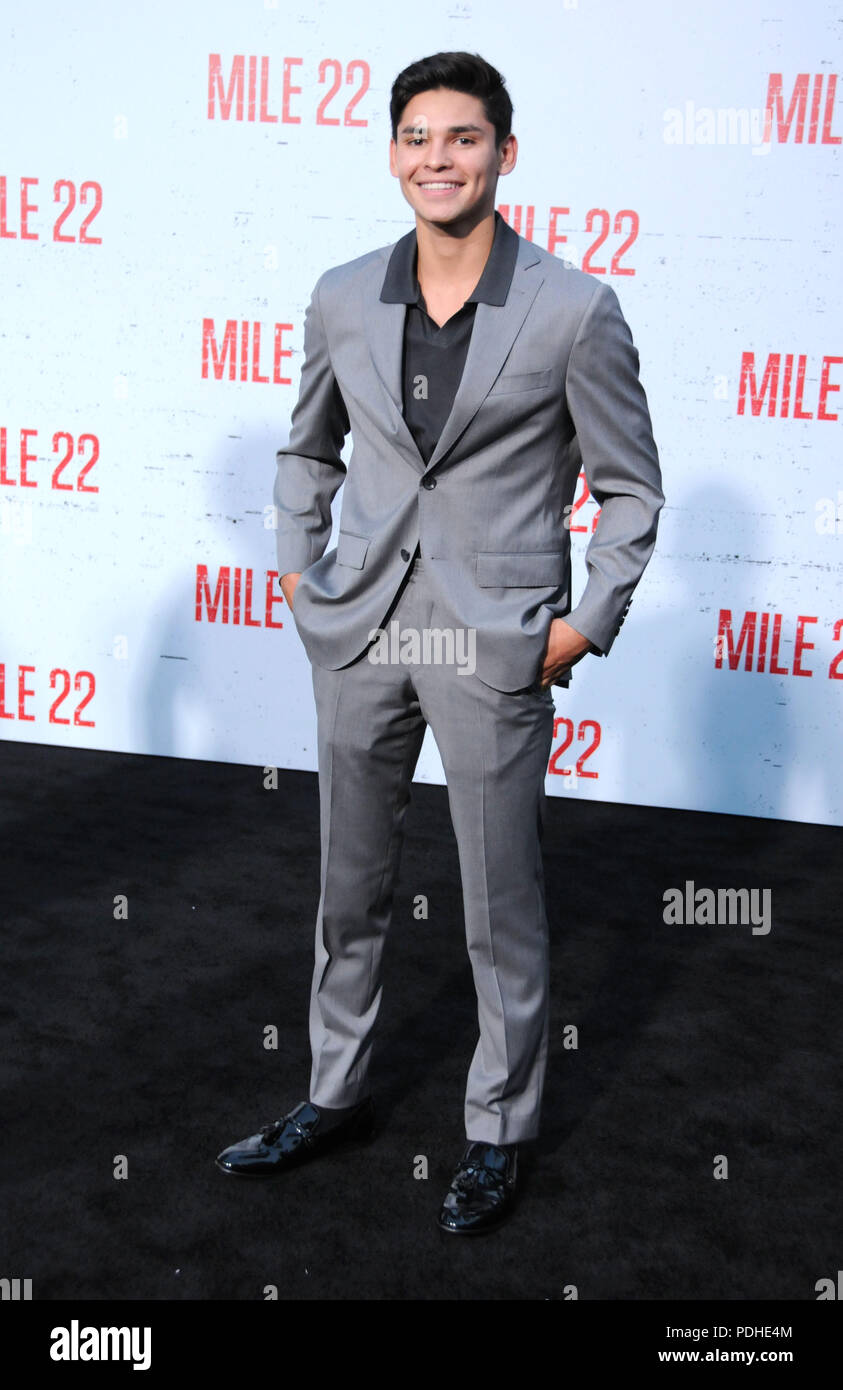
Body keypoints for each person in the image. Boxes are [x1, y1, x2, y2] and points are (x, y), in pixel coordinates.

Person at [216, 51, 664, 1235]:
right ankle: (331, 1090)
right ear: (393, 154)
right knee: (347, 886)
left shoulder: (574, 308)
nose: (437, 158)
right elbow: (308, 449)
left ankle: (499, 1129)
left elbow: (631, 492)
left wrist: (583, 624)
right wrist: (303, 573)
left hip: (496, 639)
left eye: (462, 138)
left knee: (497, 902)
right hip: (360, 626)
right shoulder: (342, 294)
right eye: (417, 137)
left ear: (504, 154)